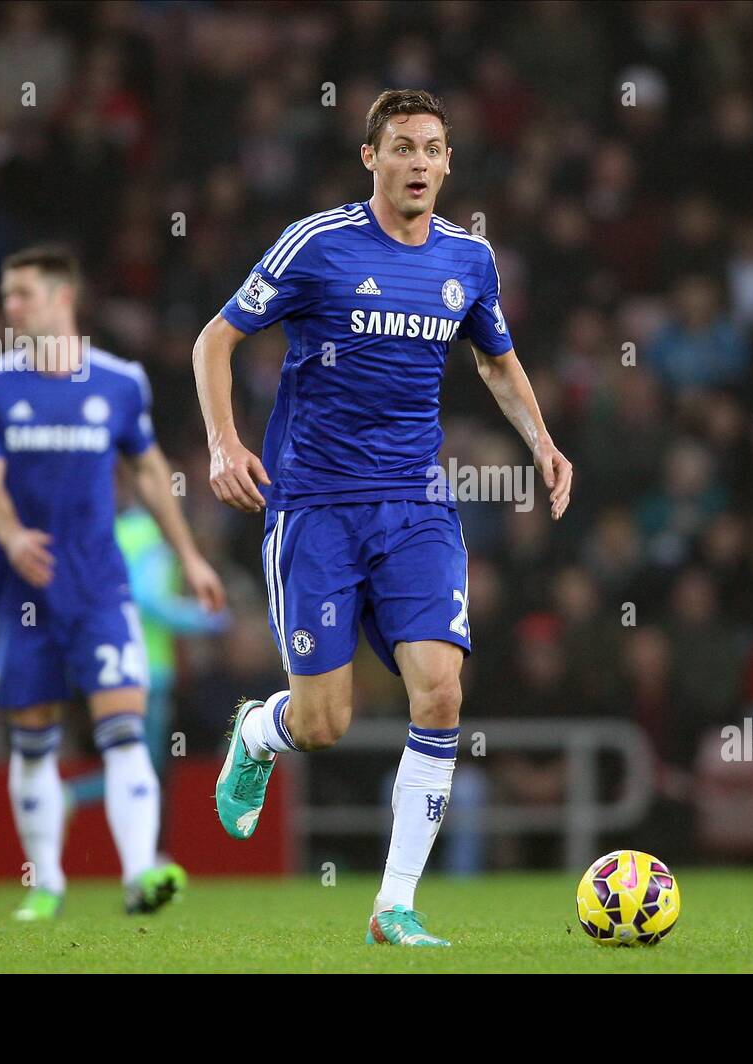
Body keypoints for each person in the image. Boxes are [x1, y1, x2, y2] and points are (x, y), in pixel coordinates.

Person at [193, 89, 573, 946]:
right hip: (316, 509)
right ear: (371, 158)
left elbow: (497, 362)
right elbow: (214, 340)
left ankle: (393, 905)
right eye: (401, 147)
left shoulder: (470, 260)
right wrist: (223, 444)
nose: (418, 164)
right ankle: (257, 734)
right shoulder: (318, 245)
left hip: (416, 506)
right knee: (324, 724)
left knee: (440, 692)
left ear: (447, 165)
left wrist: (543, 442)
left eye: (432, 149)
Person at [0, 245, 225, 920]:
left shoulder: (118, 382)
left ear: (60, 298)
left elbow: (147, 472)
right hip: (24, 593)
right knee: (34, 739)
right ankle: (46, 881)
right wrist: (12, 534)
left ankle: (141, 873)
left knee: (125, 732)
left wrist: (190, 557)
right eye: (7, 294)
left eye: (21, 293)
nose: (10, 307)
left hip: (100, 589)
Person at [63, 500, 229, 833]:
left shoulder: (120, 532)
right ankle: (72, 798)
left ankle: (142, 849)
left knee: (132, 759)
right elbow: (149, 599)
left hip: (109, 664)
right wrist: (206, 619)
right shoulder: (156, 541)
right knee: (146, 766)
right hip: (148, 670)